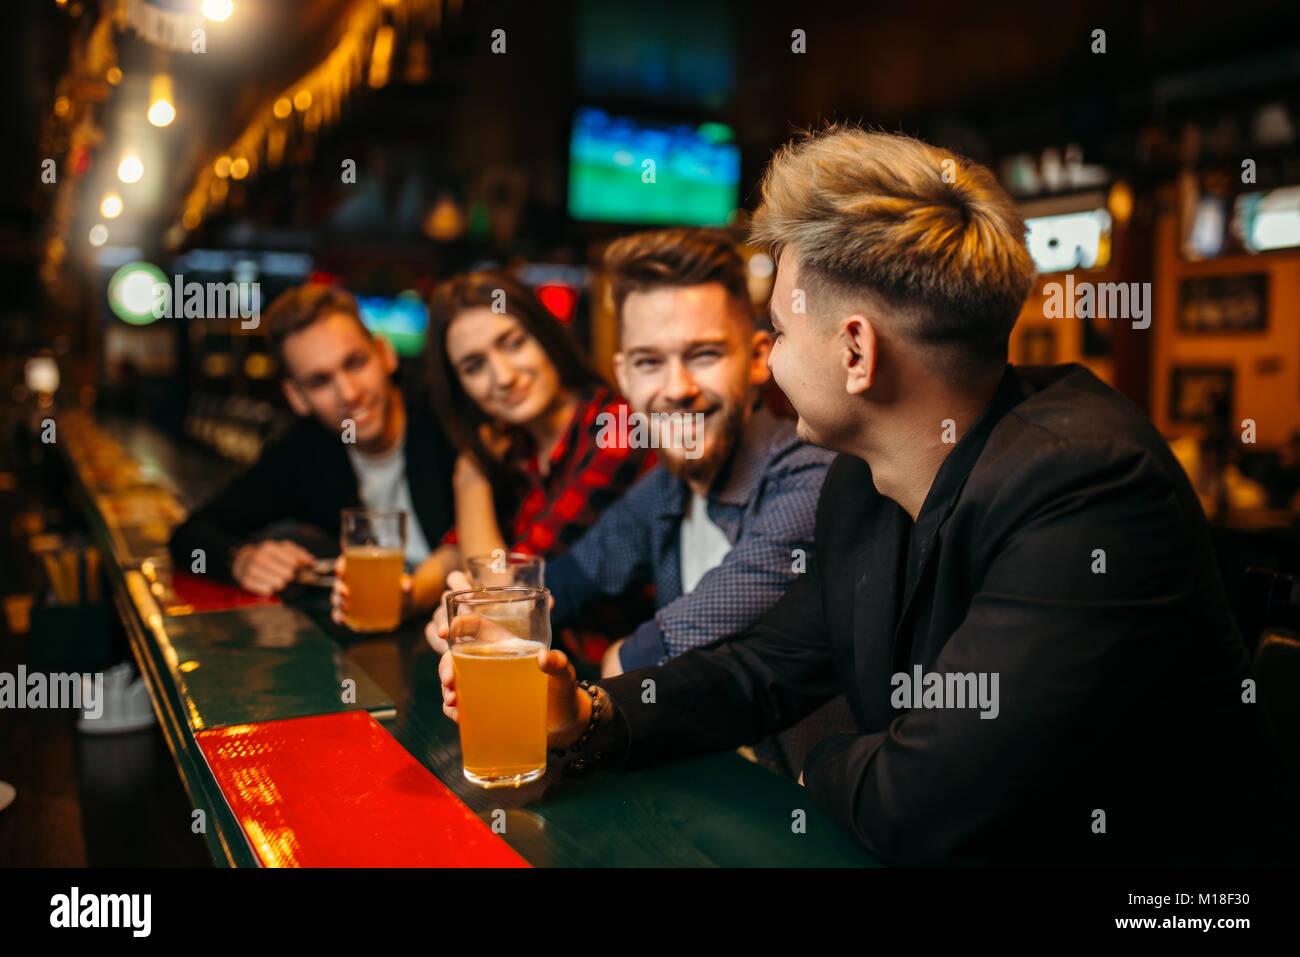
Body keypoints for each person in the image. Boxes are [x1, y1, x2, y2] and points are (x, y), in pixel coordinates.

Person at [433, 127, 1275, 865]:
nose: (772, 359)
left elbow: (921, 804)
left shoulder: (1087, 485)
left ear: (856, 353)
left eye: (782, 332)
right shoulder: (865, 481)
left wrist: (810, 762)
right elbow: (759, 668)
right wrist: (586, 713)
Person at [431, 229, 847, 775]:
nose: (676, 388)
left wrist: (593, 681)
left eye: (703, 354)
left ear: (756, 358)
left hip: (803, 814)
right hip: (704, 788)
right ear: (625, 375)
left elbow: (645, 656)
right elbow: (564, 584)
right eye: (650, 362)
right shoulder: (666, 488)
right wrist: (473, 619)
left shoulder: (808, 474)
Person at [170, 284, 457, 608]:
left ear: (385, 354)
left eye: (356, 363)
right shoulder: (305, 452)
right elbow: (189, 537)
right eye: (320, 382)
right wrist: (241, 559)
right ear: (297, 397)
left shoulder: (449, 417)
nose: (348, 394)